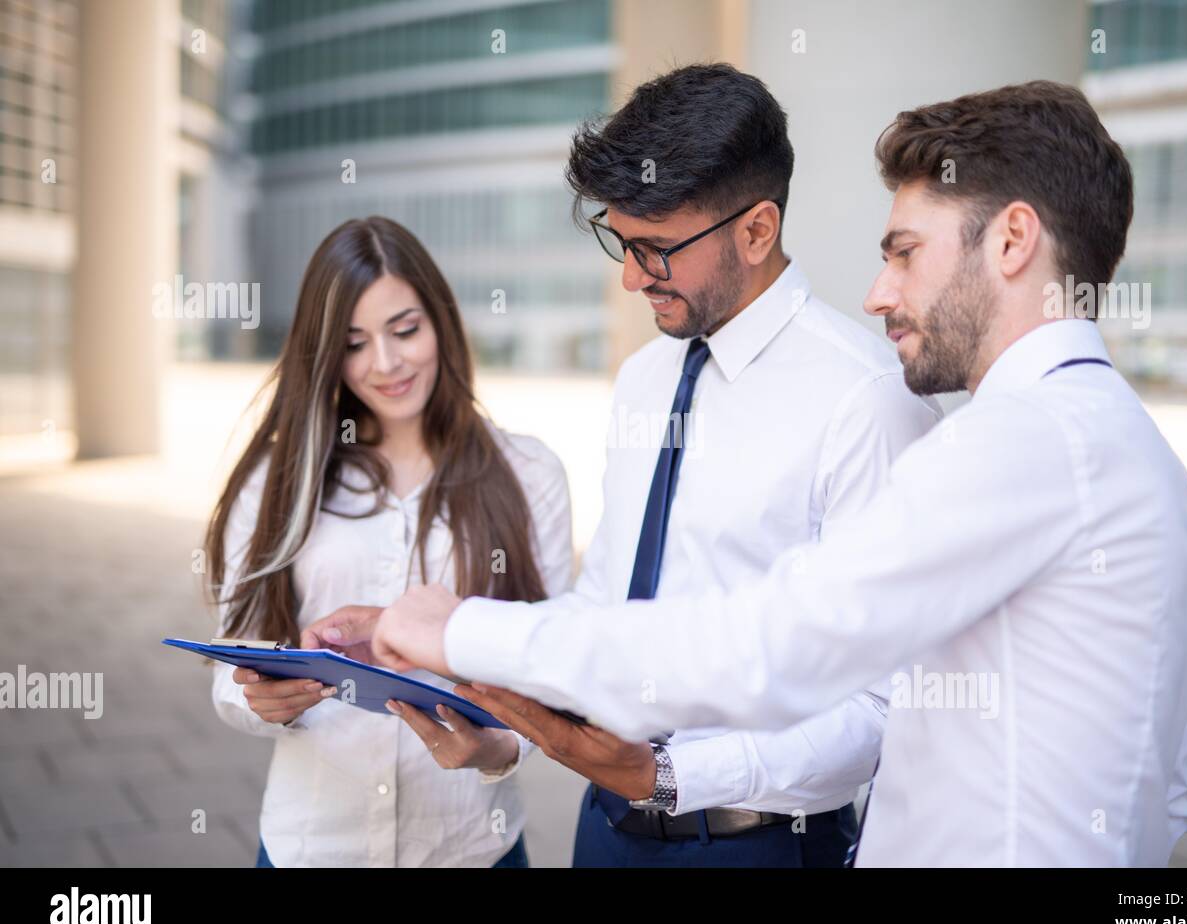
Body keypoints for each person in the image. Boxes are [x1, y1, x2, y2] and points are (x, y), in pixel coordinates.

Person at [348, 81, 1187, 867]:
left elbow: (777, 643)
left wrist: (466, 630)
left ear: (1013, 240)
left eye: (906, 251)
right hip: (611, 825)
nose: (879, 291)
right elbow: (1172, 784)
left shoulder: (1010, 442)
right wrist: (470, 684)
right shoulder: (1145, 464)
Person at [310, 63, 939, 868]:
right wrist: (483, 696)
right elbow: (608, 604)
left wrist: (672, 775)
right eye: (620, 241)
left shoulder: (870, 400)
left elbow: (883, 705)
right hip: (602, 830)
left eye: (655, 249)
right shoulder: (645, 377)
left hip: (758, 846)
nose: (630, 275)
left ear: (756, 230)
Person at [204, 216, 572, 867]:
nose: (386, 362)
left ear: (441, 321)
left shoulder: (528, 472)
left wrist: (497, 748)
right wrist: (262, 697)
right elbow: (232, 667)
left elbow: (551, 659)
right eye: (354, 342)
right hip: (311, 847)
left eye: (405, 330)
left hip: (470, 846)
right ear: (325, 354)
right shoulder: (277, 481)